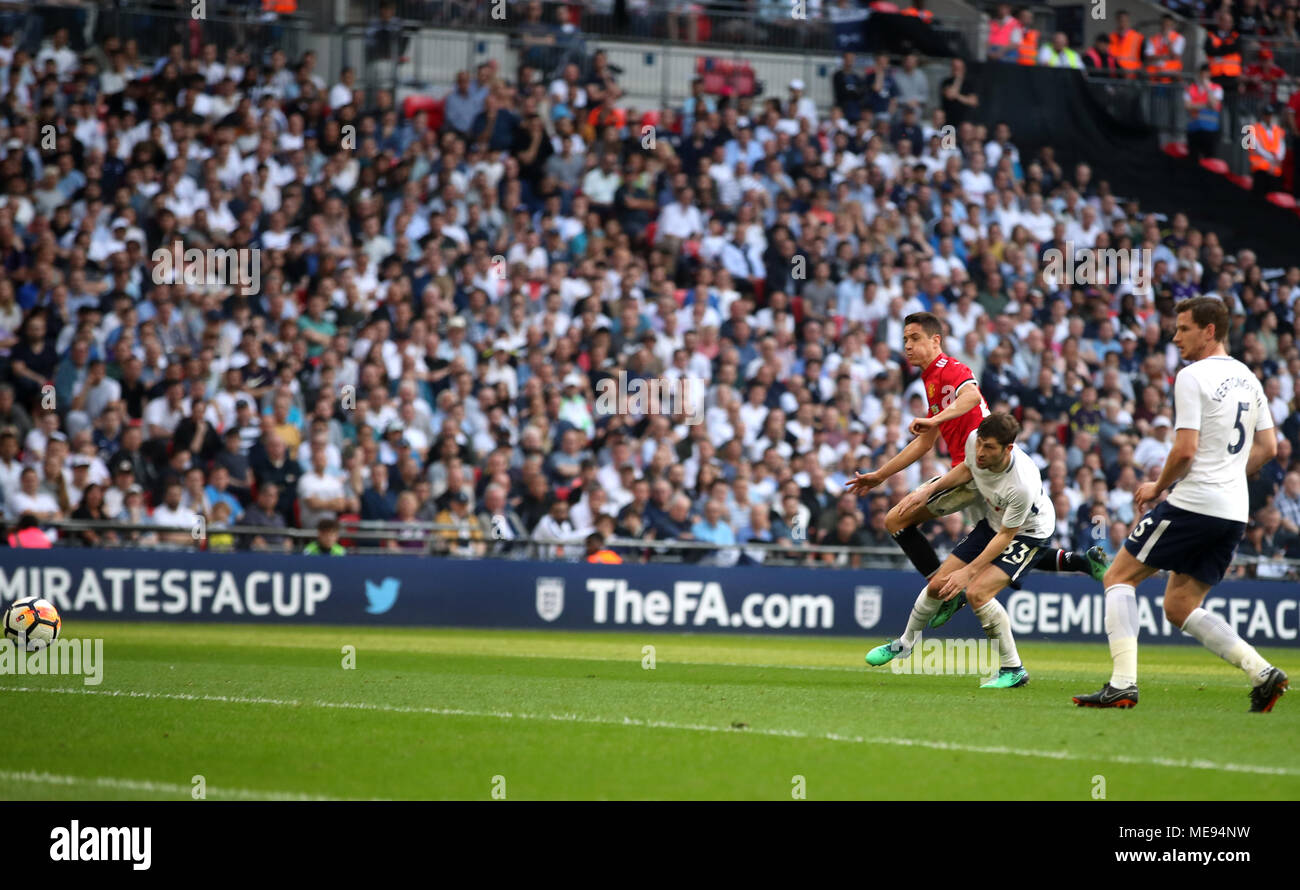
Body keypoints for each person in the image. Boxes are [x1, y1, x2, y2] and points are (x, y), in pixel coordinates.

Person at [1075, 297, 1287, 712]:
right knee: (1179, 606)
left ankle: (1122, 684)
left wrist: (1157, 486)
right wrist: (1228, 475)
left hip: (1195, 503)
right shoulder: (1249, 378)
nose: (1175, 337)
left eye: (1184, 328)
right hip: (1232, 512)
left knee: (1118, 576)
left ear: (1210, 331)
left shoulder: (1192, 377)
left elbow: (1185, 449)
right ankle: (1263, 673)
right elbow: (1269, 447)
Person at [845, 312, 1106, 584]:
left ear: (936, 341)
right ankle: (1081, 561)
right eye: (905, 340)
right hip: (976, 472)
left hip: (970, 471)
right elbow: (925, 441)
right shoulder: (930, 379)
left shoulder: (950, 368)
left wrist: (934, 418)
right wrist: (881, 475)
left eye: (915, 338)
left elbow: (970, 396)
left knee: (895, 521)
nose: (907, 345)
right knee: (1005, 542)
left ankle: (940, 589)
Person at [863, 413, 1058, 688]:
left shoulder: (1021, 484)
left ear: (1008, 449)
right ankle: (905, 644)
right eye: (980, 443)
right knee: (937, 586)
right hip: (993, 521)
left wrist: (968, 572)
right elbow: (967, 468)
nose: (980, 451)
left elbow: (1006, 536)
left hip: (1028, 533)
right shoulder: (973, 444)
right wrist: (927, 492)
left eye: (989, 447)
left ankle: (1013, 669)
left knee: (978, 593)